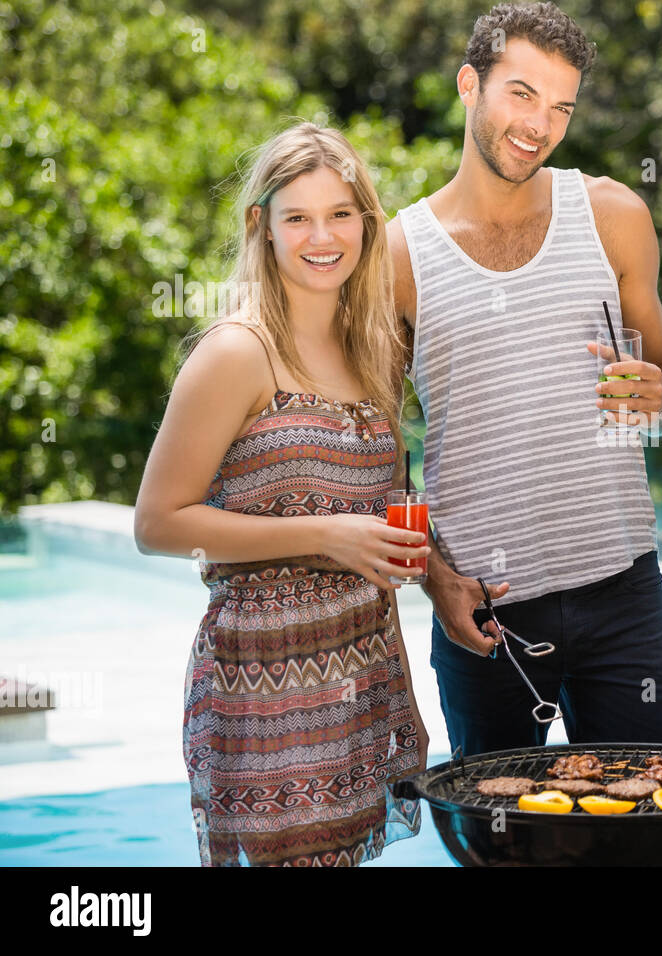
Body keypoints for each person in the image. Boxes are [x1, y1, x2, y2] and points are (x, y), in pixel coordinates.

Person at [387, 1, 662, 756]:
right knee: (506, 838)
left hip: (624, 593)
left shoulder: (614, 215)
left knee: (653, 832)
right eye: (521, 94)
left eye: (560, 106)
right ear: (469, 85)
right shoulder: (397, 255)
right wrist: (432, 576)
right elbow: (378, 452)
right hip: (484, 609)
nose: (539, 124)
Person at [135, 122, 432, 866]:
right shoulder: (237, 352)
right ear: (261, 227)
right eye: (297, 217)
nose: (321, 236)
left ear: (366, 222)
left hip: (361, 678)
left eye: (339, 214)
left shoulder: (374, 357)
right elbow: (158, 523)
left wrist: (409, 704)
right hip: (262, 688)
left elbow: (381, 554)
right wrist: (324, 534)